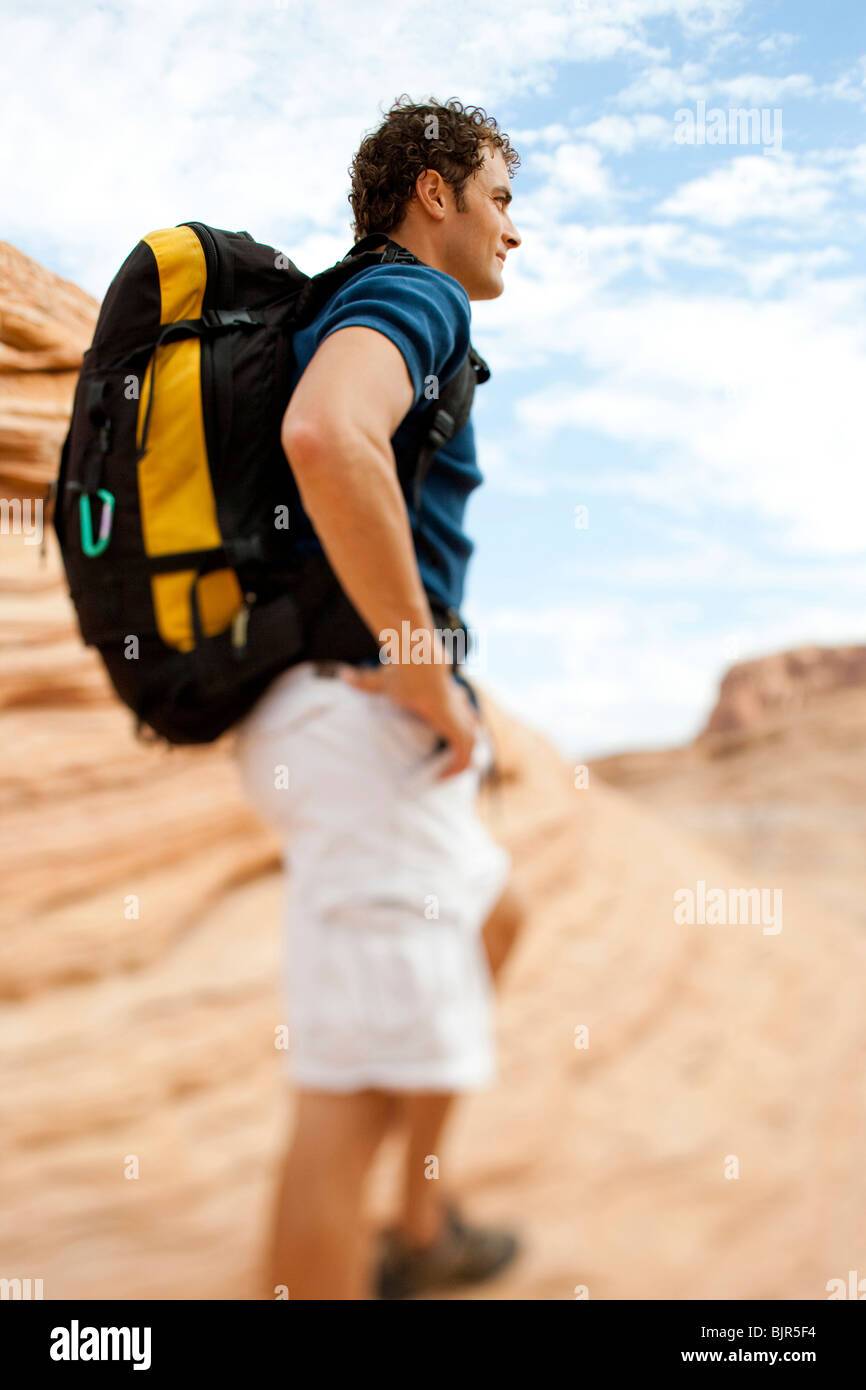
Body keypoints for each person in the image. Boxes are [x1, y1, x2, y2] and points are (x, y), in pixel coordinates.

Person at [232, 96, 526, 1300]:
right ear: (433, 193)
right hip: (356, 719)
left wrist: (440, 670)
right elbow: (325, 434)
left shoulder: (360, 297)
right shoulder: (417, 294)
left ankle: (415, 1226)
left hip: (352, 716)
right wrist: (414, 657)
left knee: (496, 914)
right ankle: (376, 1239)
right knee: (346, 1093)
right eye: (501, 198)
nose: (514, 230)